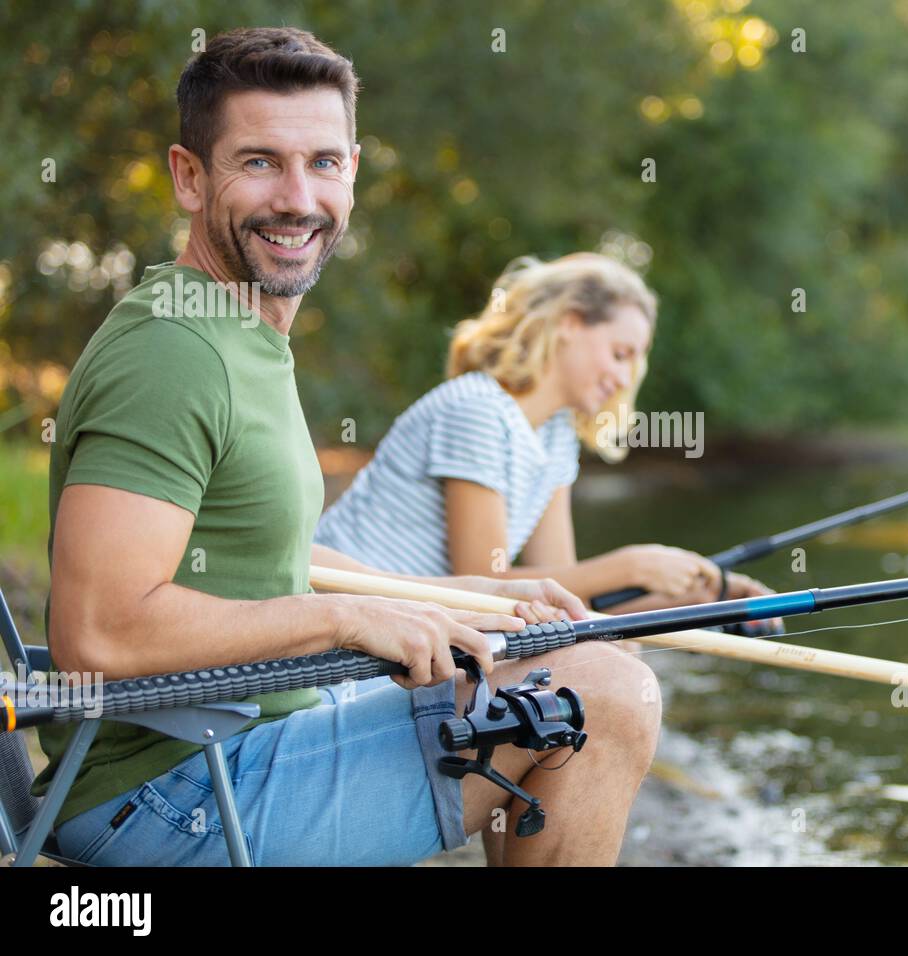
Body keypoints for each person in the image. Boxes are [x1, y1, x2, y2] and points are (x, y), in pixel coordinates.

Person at [34, 26, 659, 867]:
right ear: (189, 177)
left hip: (238, 749)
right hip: (173, 794)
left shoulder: (238, 333)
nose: (297, 197)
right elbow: (99, 633)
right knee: (608, 695)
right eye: (259, 162)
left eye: (322, 162)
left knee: (567, 657)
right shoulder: (172, 352)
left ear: (352, 173)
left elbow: (267, 568)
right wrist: (346, 620)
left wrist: (464, 597)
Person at [314, 252, 774, 612]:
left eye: (637, 360)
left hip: (420, 620)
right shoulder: (478, 411)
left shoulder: (555, 436)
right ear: (570, 324)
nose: (627, 376)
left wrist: (704, 600)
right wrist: (633, 564)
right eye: (620, 353)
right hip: (339, 614)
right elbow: (483, 586)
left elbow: (566, 593)